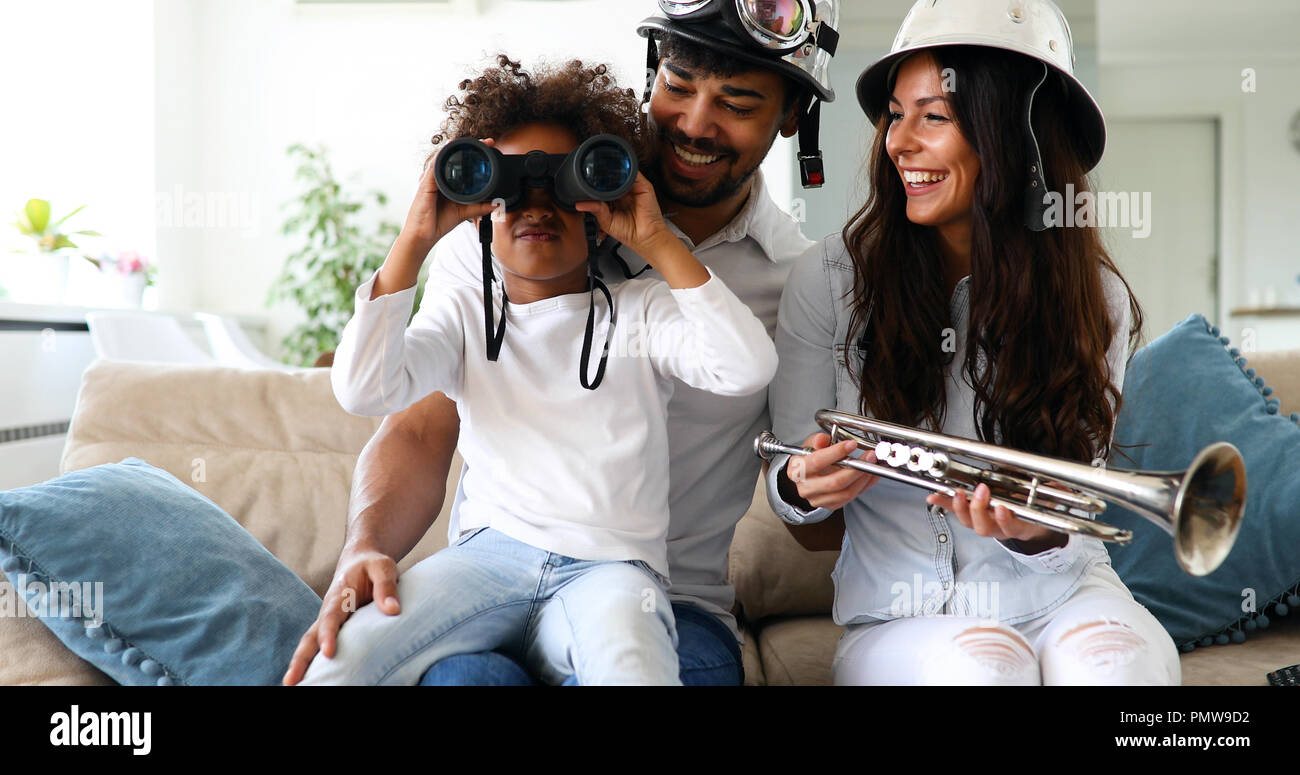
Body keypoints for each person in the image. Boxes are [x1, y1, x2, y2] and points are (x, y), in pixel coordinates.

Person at [281, 0, 843, 687]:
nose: (696, 123)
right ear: (650, 76)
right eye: (677, 85)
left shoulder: (797, 281)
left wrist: (813, 484)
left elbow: (800, 496)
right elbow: (415, 422)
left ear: (791, 117)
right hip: (494, 567)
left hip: (660, 594)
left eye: (738, 101)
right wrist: (362, 549)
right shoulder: (484, 248)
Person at [764, 0, 1181, 685]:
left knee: (1119, 667)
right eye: (897, 115)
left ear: (1016, 136)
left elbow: (1069, 516)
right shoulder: (830, 278)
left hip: (1062, 593)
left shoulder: (1091, 295)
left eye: (934, 116)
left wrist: (1034, 527)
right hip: (903, 621)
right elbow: (795, 509)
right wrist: (804, 485)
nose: (898, 142)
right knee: (985, 667)